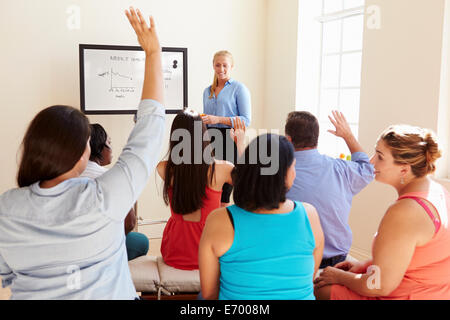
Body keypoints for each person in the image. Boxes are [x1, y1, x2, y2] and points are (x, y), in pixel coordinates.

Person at [0, 7, 164, 299]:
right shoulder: (103, 197)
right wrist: (153, 54)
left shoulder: (7, 209)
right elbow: (149, 131)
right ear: (79, 155)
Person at [314, 124, 450, 300]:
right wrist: (365, 264)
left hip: (404, 295)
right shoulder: (439, 191)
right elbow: (415, 258)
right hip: (436, 293)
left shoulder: (405, 212)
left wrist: (339, 277)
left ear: (404, 169)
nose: (371, 161)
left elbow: (379, 286)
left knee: (318, 288)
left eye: (380, 157)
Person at [199, 134, 324, 300]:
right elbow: (306, 279)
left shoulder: (219, 219)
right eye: (293, 167)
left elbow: (209, 294)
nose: (295, 172)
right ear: (283, 175)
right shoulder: (310, 215)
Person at [285, 110, 374, 268]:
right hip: (336, 259)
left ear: (288, 140)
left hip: (295, 260)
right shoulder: (341, 168)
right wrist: (348, 135)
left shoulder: (278, 174)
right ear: (316, 138)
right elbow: (368, 169)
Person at [157, 114, 246, 270]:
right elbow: (250, 182)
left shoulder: (164, 168)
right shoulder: (222, 168)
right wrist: (240, 144)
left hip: (174, 252)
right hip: (209, 252)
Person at [81, 123, 149, 261]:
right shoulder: (110, 177)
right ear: (99, 147)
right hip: (100, 246)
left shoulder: (70, 175)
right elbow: (129, 222)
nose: (111, 149)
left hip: (76, 244)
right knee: (141, 241)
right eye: (109, 143)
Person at [201, 50, 251, 206]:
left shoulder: (239, 89)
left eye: (225, 65)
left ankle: (224, 226)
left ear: (231, 67)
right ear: (213, 66)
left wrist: (218, 119)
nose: (221, 69)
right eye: (217, 65)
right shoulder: (207, 91)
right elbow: (207, 118)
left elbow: (245, 120)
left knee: (225, 190)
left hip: (229, 139)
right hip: (209, 139)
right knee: (209, 186)